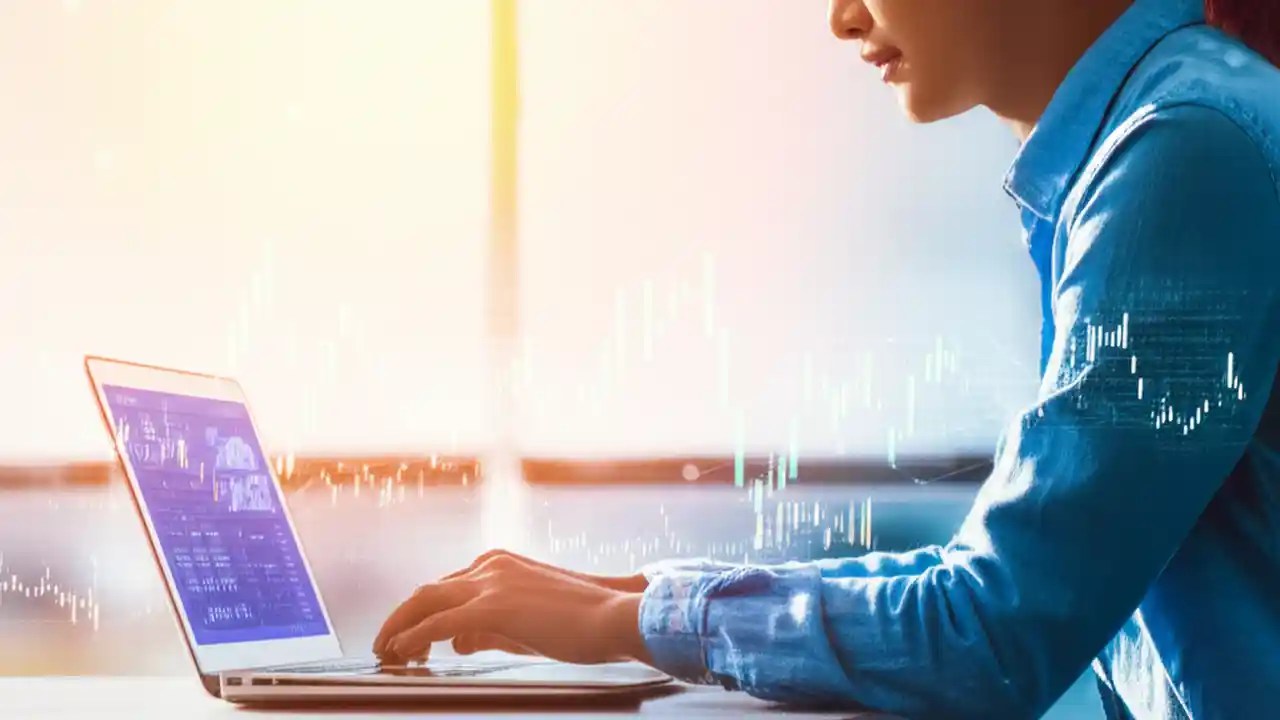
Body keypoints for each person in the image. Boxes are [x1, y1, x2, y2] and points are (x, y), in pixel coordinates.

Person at [374, 1, 1280, 717]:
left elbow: (996, 635)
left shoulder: (1185, 154)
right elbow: (993, 577)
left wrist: (628, 623)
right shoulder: (1180, 126)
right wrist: (638, 594)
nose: (840, 16)